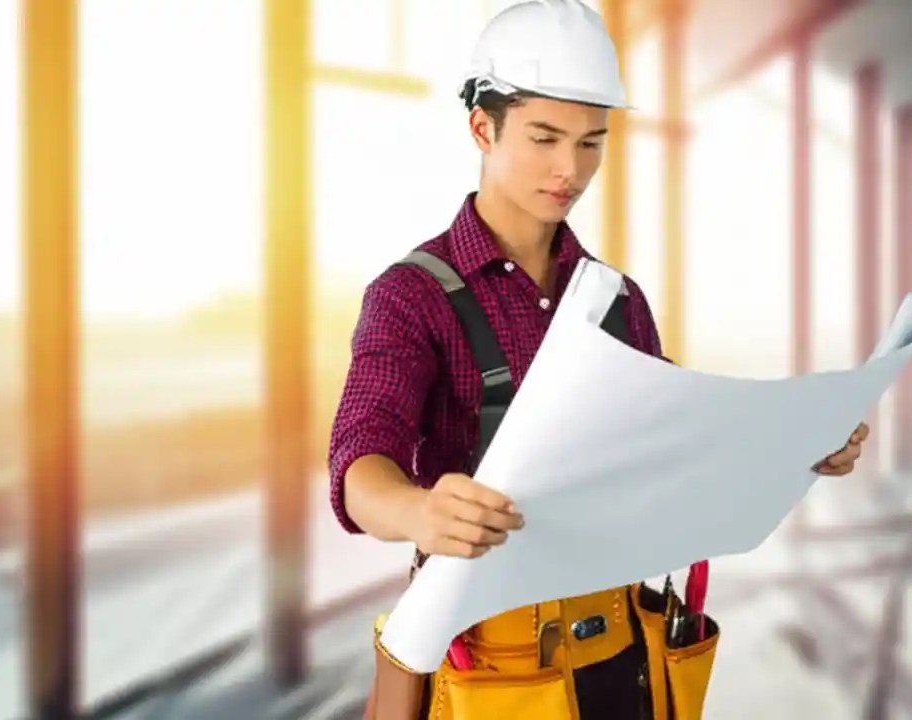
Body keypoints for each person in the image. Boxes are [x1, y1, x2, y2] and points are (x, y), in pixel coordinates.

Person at [328, 2, 869, 717]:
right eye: (545, 138)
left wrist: (797, 448)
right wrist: (417, 510)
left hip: (621, 654)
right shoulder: (411, 297)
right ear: (482, 128)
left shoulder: (616, 301)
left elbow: (676, 450)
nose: (570, 169)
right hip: (491, 666)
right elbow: (361, 459)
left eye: (591, 142)